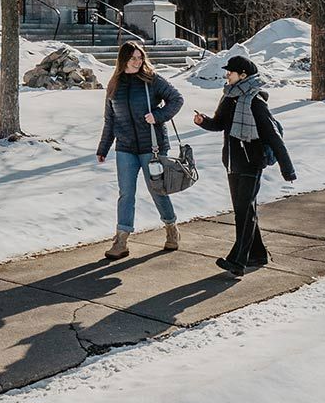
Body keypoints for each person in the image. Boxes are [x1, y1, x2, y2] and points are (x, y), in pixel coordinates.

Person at [192, 55, 295, 274]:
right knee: (244, 210)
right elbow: (219, 124)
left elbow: (273, 135)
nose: (226, 74)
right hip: (232, 161)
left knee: (244, 212)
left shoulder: (255, 100)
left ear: (243, 75)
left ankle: (238, 260)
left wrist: (288, 168)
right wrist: (204, 122)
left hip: (251, 161)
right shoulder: (229, 97)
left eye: (230, 72)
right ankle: (257, 254)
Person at [96, 41, 184, 259]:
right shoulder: (114, 84)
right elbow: (110, 120)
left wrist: (158, 116)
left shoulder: (151, 80)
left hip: (152, 147)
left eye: (140, 57)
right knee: (126, 194)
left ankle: (171, 229)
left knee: (157, 190)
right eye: (133, 58)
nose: (137, 62)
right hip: (125, 148)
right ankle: (121, 240)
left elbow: (177, 99)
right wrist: (103, 148)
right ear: (123, 59)